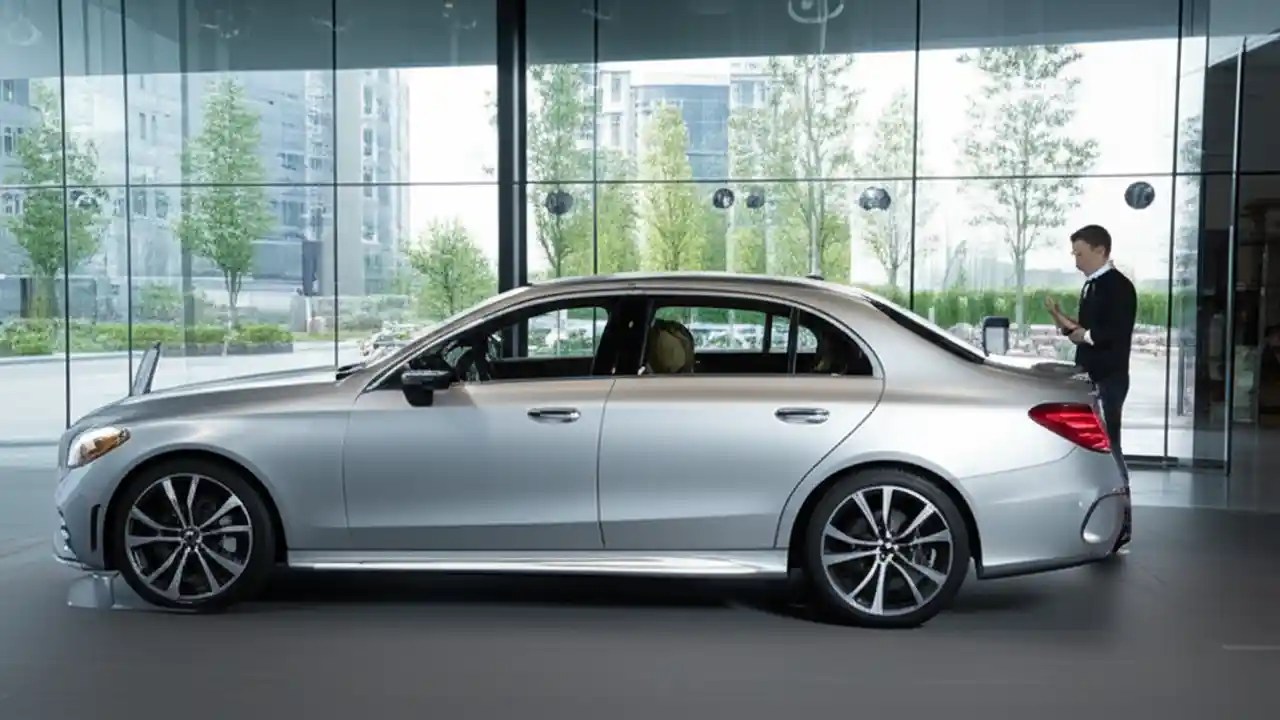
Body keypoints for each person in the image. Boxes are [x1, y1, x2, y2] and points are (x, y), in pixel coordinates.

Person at [1044, 224, 1137, 455]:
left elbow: (1116, 330)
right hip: (1090, 373)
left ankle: (1116, 477)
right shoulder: (1092, 284)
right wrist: (1061, 319)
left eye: (1080, 254)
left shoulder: (1119, 286)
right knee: (1092, 442)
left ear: (1100, 251)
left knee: (1108, 442)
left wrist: (1085, 335)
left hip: (1109, 376)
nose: (1077, 262)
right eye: (1074, 255)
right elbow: (1088, 327)